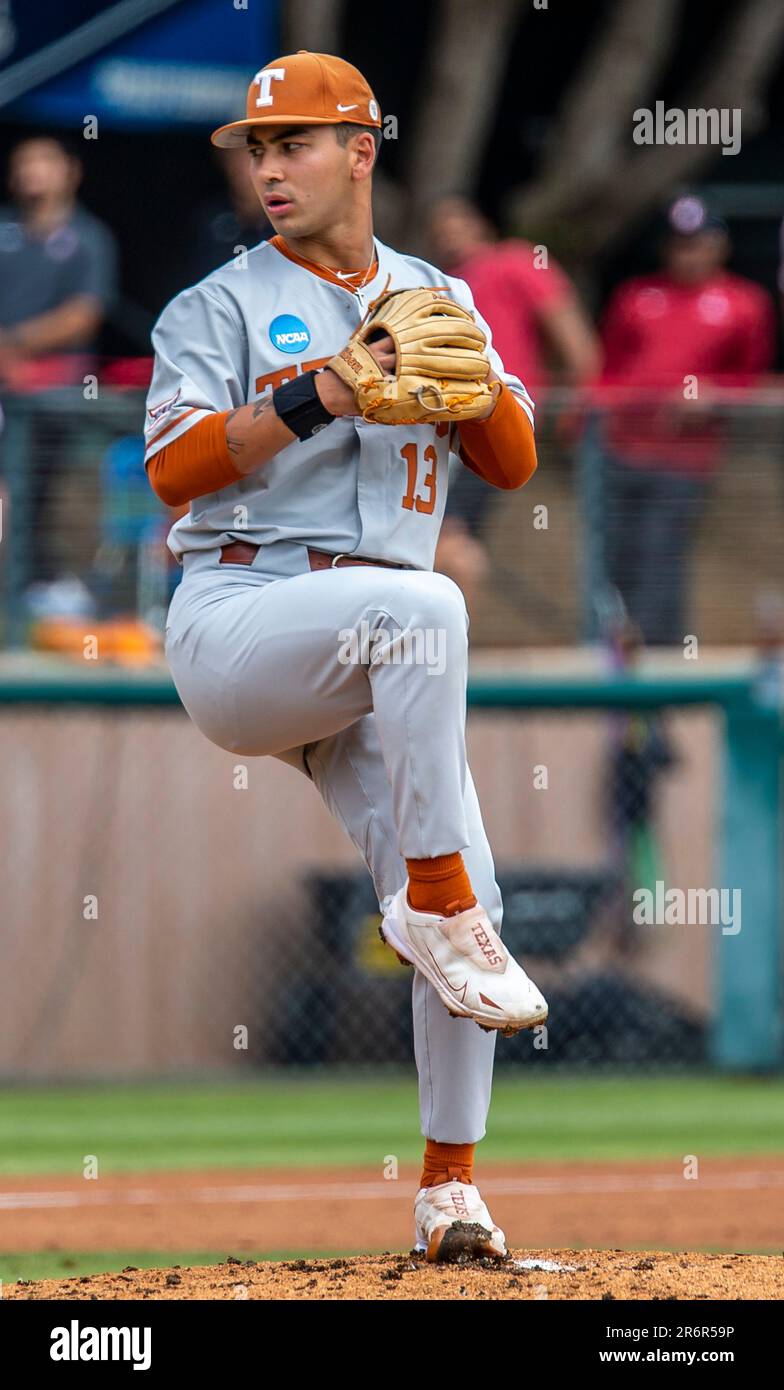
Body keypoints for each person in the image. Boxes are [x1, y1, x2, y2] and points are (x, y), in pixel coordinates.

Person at [144, 50, 546, 1264]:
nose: (270, 166)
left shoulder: (436, 295)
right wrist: (326, 390)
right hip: (244, 620)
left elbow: (514, 465)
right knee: (427, 612)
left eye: (296, 143)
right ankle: (429, 905)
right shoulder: (212, 307)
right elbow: (174, 470)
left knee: (474, 885)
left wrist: (469, 387)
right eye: (257, 149)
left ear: (361, 152)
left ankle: (448, 1193)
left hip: (377, 661)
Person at [596, 196, 776, 646]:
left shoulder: (743, 303)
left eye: (697, 244)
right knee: (613, 557)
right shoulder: (637, 296)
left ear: (719, 247)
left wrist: (715, 396)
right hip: (619, 448)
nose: (687, 255)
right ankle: (611, 654)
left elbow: (750, 376)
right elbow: (609, 367)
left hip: (683, 457)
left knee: (659, 557)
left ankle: (658, 665)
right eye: (678, 245)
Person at [427, 196, 601, 614]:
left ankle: (450, 650)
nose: (448, 233)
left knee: (452, 540)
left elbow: (576, 343)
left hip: (495, 418)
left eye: (457, 220)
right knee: (444, 538)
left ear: (482, 222)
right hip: (450, 424)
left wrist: (574, 412)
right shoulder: (438, 279)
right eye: (440, 225)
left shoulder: (515, 261)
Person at [0, 134, 119, 591]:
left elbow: (84, 315)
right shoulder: (4, 231)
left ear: (71, 172)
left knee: (62, 494)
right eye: (25, 162)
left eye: (44, 162)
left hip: (62, 399)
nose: (34, 172)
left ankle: (62, 590)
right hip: (6, 394)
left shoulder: (89, 238)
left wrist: (13, 344)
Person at [187, 145, 273, 283]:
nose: (239, 164)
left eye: (252, 154)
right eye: (232, 154)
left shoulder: (293, 224)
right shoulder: (211, 222)